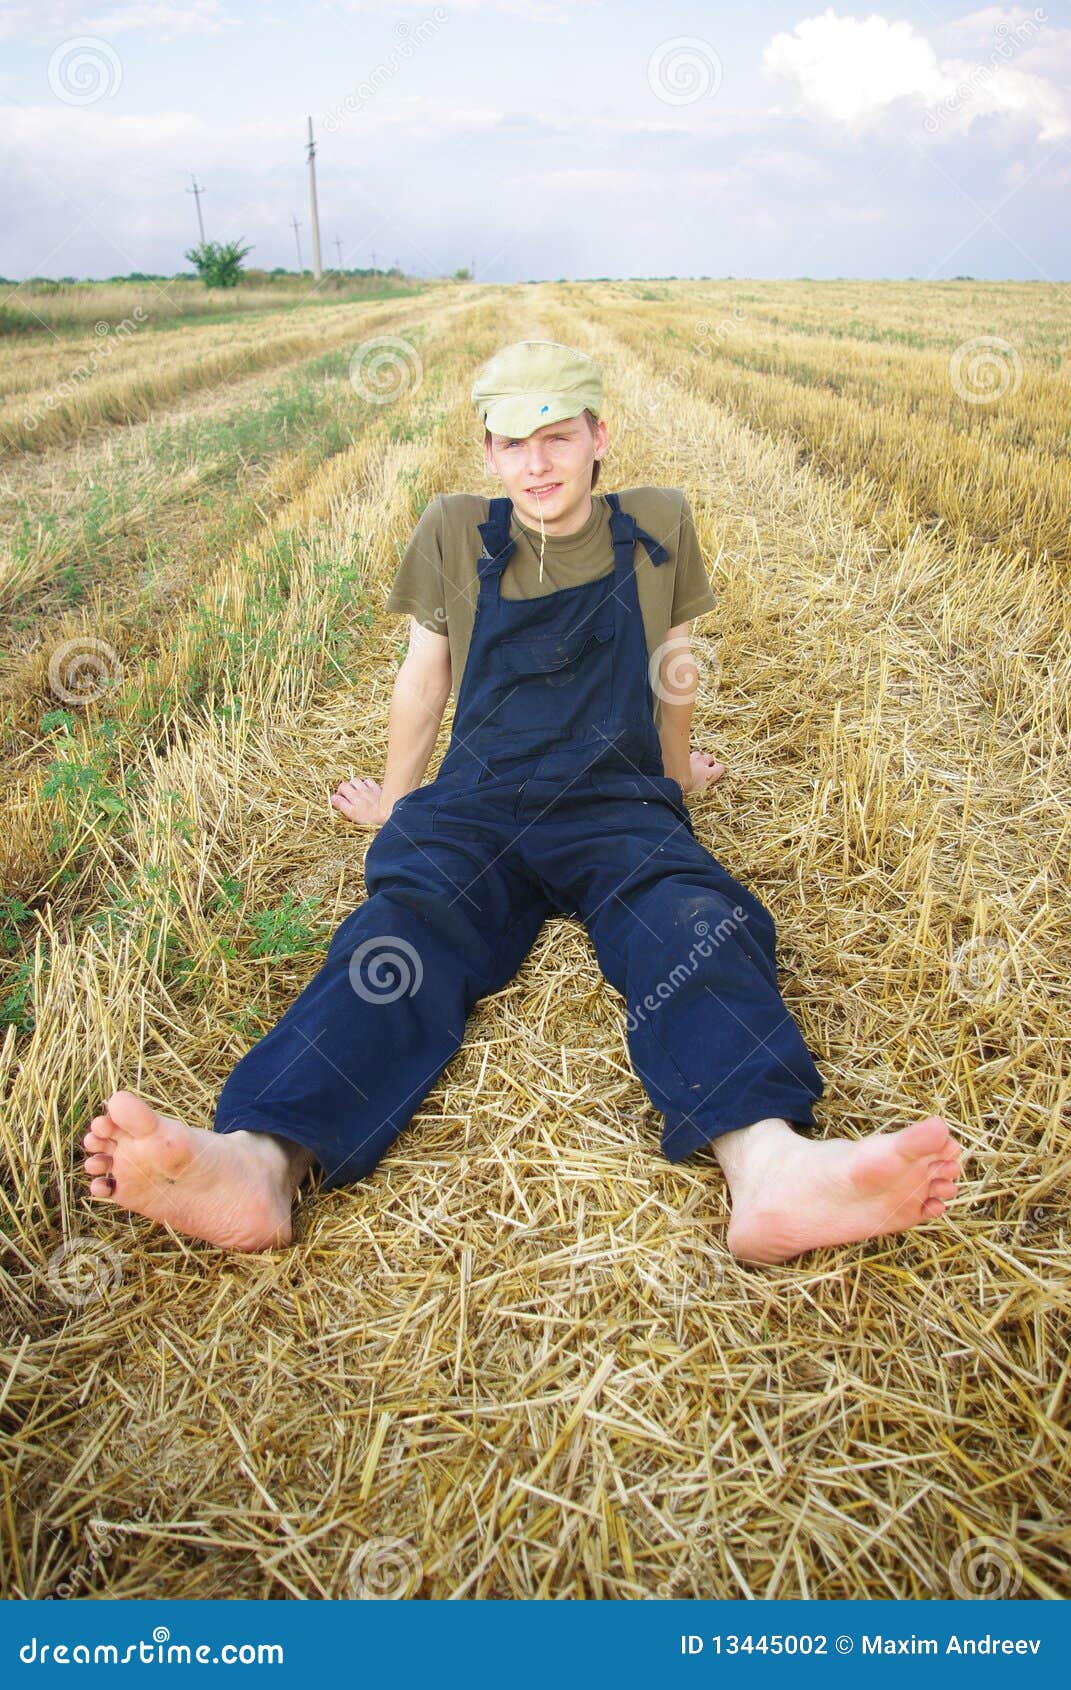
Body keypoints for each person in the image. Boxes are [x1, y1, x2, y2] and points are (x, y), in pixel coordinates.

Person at [81, 340, 961, 1260]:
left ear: (597, 436)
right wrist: (395, 800)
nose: (535, 463)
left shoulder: (659, 523)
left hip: (616, 798)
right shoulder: (455, 531)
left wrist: (671, 778)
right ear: (489, 453)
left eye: (556, 436)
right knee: (402, 936)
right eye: (511, 443)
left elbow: (674, 666)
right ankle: (261, 1160)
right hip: (478, 804)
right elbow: (422, 686)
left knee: (693, 919)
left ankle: (769, 1164)